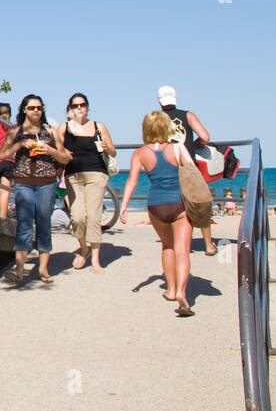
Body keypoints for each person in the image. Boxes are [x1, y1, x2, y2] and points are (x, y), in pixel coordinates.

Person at [119, 111, 194, 316]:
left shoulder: (140, 153)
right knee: (182, 250)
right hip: (179, 204)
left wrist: (123, 206)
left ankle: (169, 290)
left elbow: (132, 181)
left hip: (156, 206)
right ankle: (181, 291)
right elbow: (192, 172)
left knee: (167, 246)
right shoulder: (177, 148)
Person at [0, 94, 71, 282]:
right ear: (24, 110)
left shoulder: (51, 131)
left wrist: (50, 151)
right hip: (23, 181)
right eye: (32, 108)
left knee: (44, 222)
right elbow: (2, 154)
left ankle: (44, 270)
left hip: (46, 182)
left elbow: (65, 158)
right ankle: (19, 270)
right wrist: (20, 144)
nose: (36, 111)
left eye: (39, 108)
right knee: (24, 223)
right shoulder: (16, 131)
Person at [158, 85, 217, 255]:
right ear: (175, 99)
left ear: (159, 101)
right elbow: (205, 137)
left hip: (167, 168)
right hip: (189, 167)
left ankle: (178, 244)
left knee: (173, 208)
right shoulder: (188, 115)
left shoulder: (155, 119)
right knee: (200, 203)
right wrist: (195, 143)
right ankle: (208, 244)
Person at [62, 93, 116, 273]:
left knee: (94, 216)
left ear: (88, 107)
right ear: (70, 108)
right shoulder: (65, 127)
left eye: (82, 105)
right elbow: (58, 149)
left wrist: (108, 147)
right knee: (77, 217)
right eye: (75, 105)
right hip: (73, 176)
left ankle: (95, 259)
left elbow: (113, 151)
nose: (79, 108)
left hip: (96, 173)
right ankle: (83, 249)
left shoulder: (98, 126)